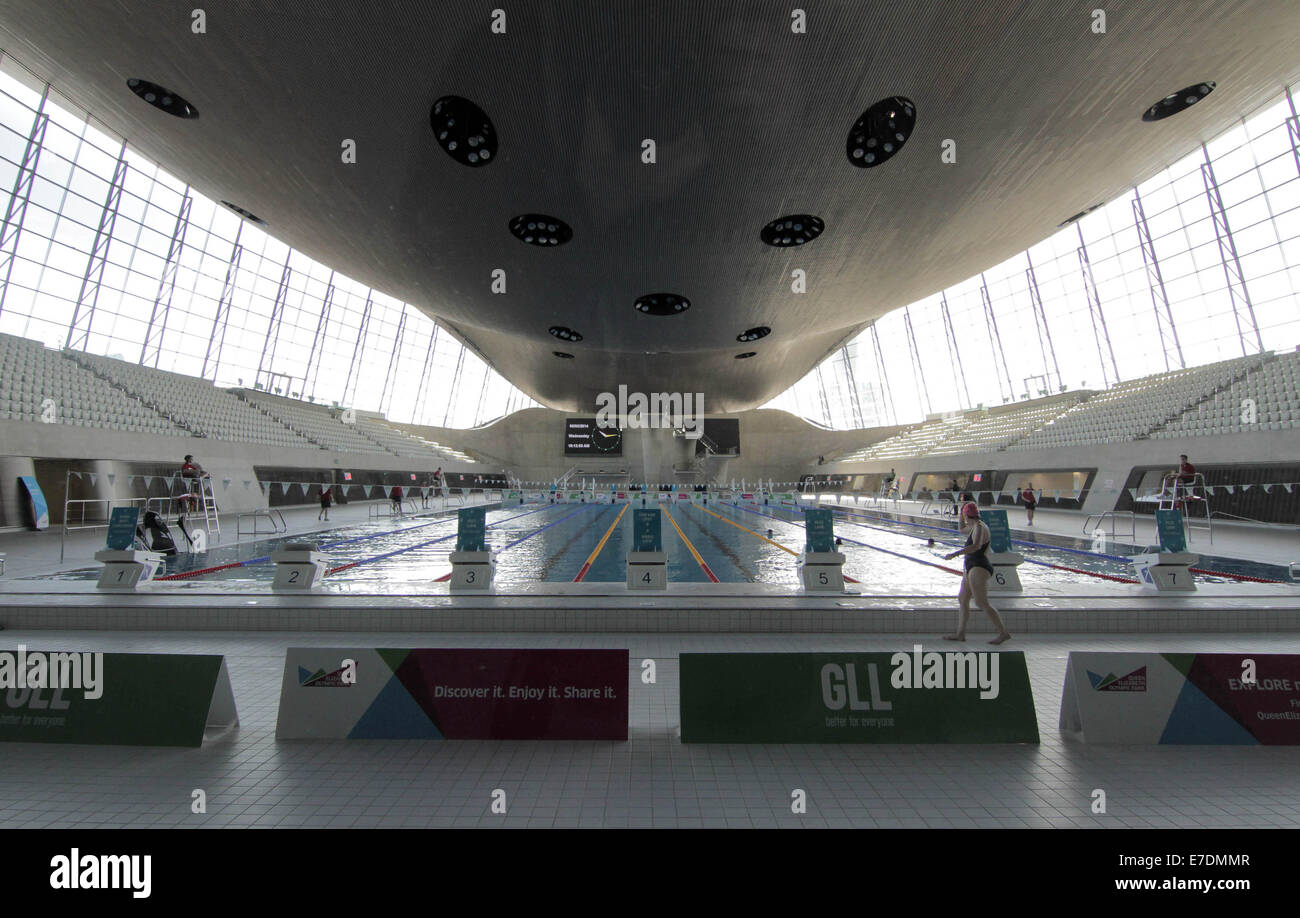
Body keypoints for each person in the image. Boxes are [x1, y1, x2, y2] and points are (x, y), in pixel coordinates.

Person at [941, 502, 1012, 645]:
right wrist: (961, 513)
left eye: (964, 515)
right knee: (963, 599)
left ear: (968, 515)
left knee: (981, 602)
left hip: (979, 567)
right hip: (971, 567)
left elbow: (976, 545)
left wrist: (955, 554)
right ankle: (960, 633)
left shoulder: (980, 527)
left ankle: (1003, 633)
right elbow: (961, 529)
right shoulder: (974, 526)